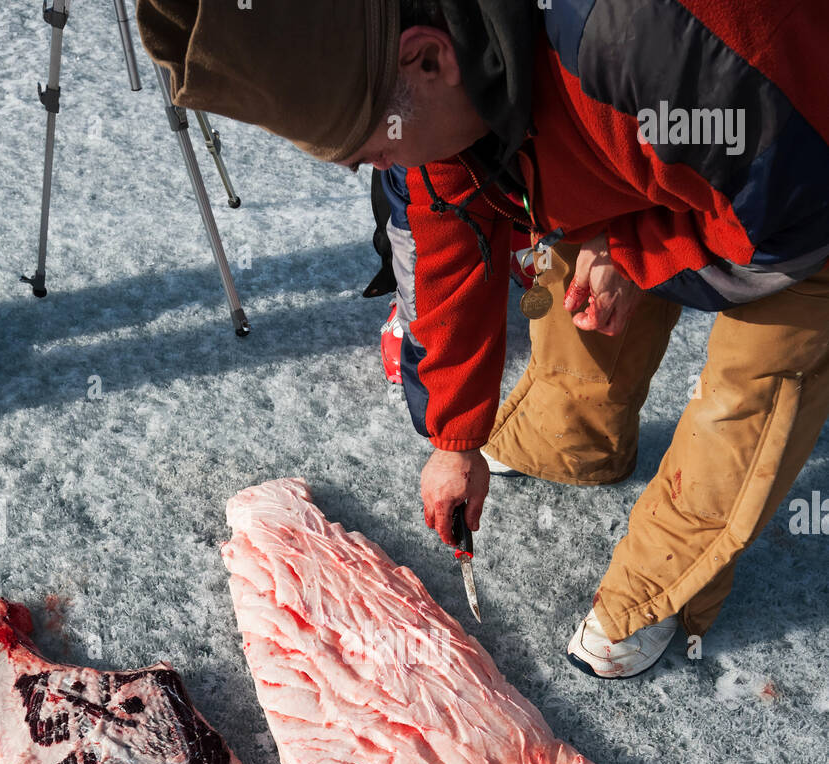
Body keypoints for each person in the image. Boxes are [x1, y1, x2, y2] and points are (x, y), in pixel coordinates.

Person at [136, 0, 829, 677]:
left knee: (759, 379)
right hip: (660, 133)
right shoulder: (439, 88)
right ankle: (573, 430)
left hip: (802, 171)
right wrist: (454, 439)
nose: (379, 167)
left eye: (377, 144)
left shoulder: (660, 41)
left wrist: (634, 250)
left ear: (429, 58)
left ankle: (669, 582)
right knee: (571, 239)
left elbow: (791, 225)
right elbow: (445, 246)